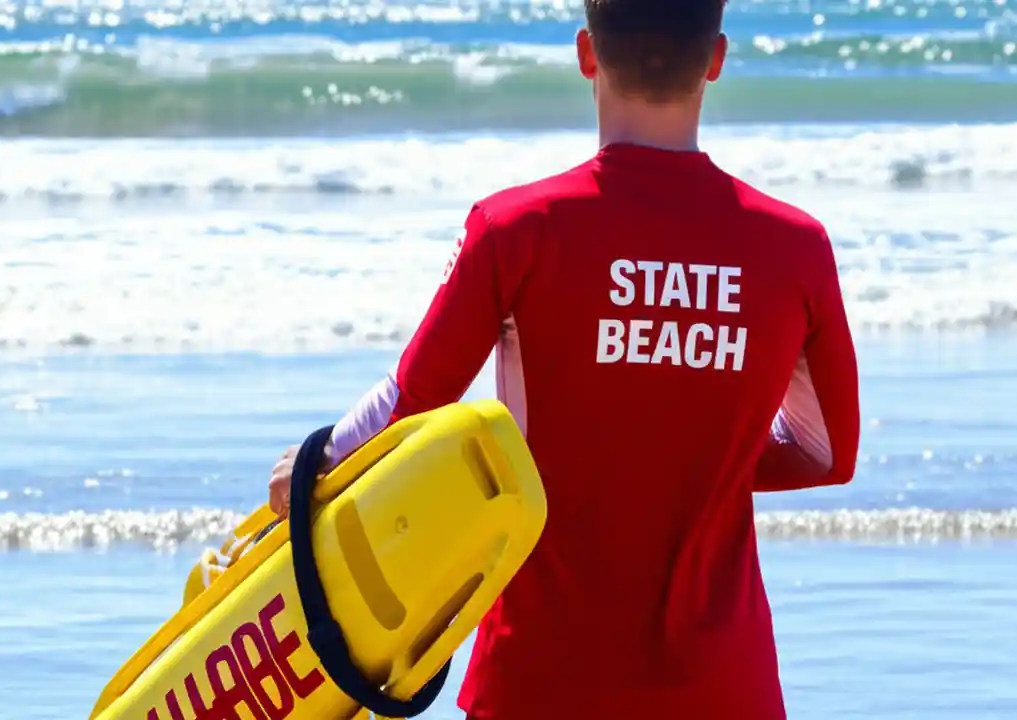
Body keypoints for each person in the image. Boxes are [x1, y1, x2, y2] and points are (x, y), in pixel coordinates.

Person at [266, 0, 860, 716]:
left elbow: (411, 403)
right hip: (722, 686)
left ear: (586, 52)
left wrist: (316, 464)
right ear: (715, 60)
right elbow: (828, 453)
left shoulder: (516, 230)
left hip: (539, 680)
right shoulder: (793, 248)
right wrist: (696, 453)